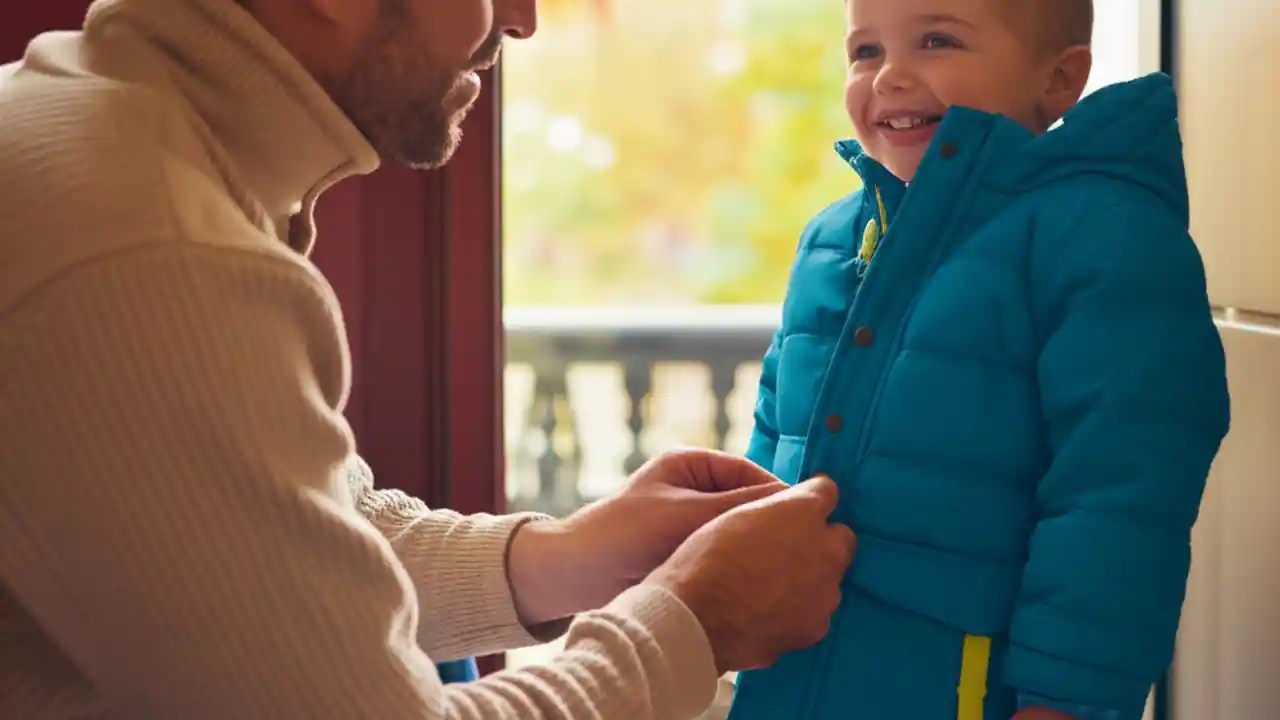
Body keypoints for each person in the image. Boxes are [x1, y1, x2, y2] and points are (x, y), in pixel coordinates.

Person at [0, 0, 859, 718]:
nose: (518, 20)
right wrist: (696, 620)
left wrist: (556, 559)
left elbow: (258, 555)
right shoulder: (152, 251)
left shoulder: (109, 141)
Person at [728, 1, 1230, 719]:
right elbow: (774, 436)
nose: (889, 76)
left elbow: (1122, 497)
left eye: (936, 41)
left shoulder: (1106, 240)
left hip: (965, 680)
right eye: (864, 51)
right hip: (794, 668)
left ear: (1059, 80)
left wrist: (1066, 697)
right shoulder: (832, 240)